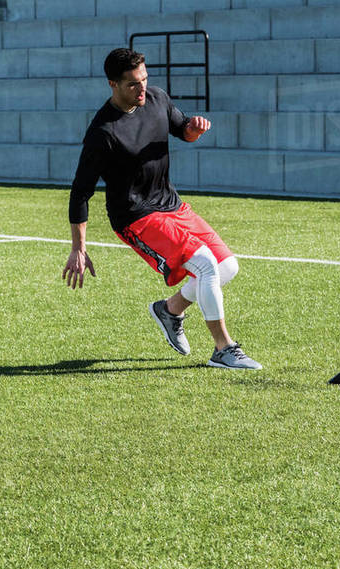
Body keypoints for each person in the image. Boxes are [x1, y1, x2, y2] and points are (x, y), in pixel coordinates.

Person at [63, 47, 261, 370]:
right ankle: (223, 349)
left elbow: (182, 128)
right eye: (133, 84)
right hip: (135, 216)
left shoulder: (156, 98)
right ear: (112, 84)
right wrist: (78, 248)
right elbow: (80, 193)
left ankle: (170, 310)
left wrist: (193, 130)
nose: (142, 89)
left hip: (170, 203)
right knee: (206, 265)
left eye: (144, 79)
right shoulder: (102, 133)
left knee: (227, 267)